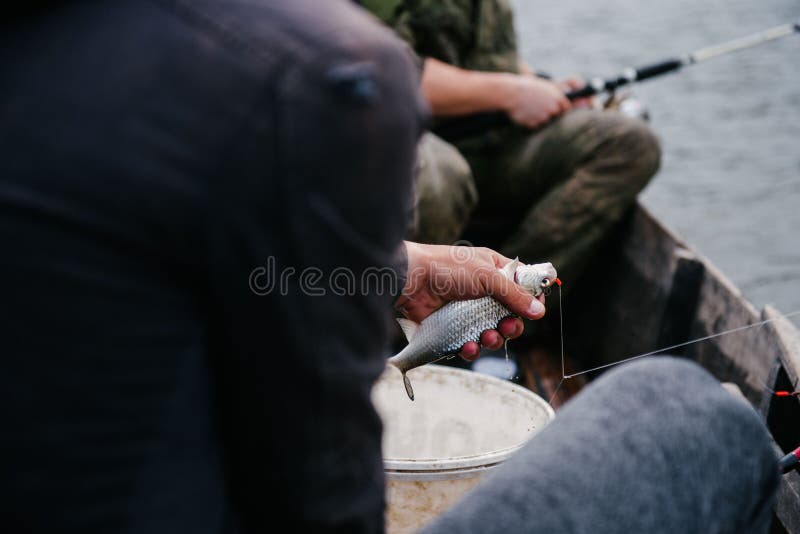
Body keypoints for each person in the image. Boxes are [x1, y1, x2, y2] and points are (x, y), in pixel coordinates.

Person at [0, 1, 778, 534]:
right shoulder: (310, 73)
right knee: (691, 414)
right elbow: (324, 507)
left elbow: (155, 254)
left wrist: (391, 270)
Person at [359, 0, 661, 284]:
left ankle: (511, 305)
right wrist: (512, 93)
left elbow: (487, 55)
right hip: (415, 143)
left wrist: (539, 85)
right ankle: (410, 325)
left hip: (495, 142)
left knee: (628, 143)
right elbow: (384, 71)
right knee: (442, 175)